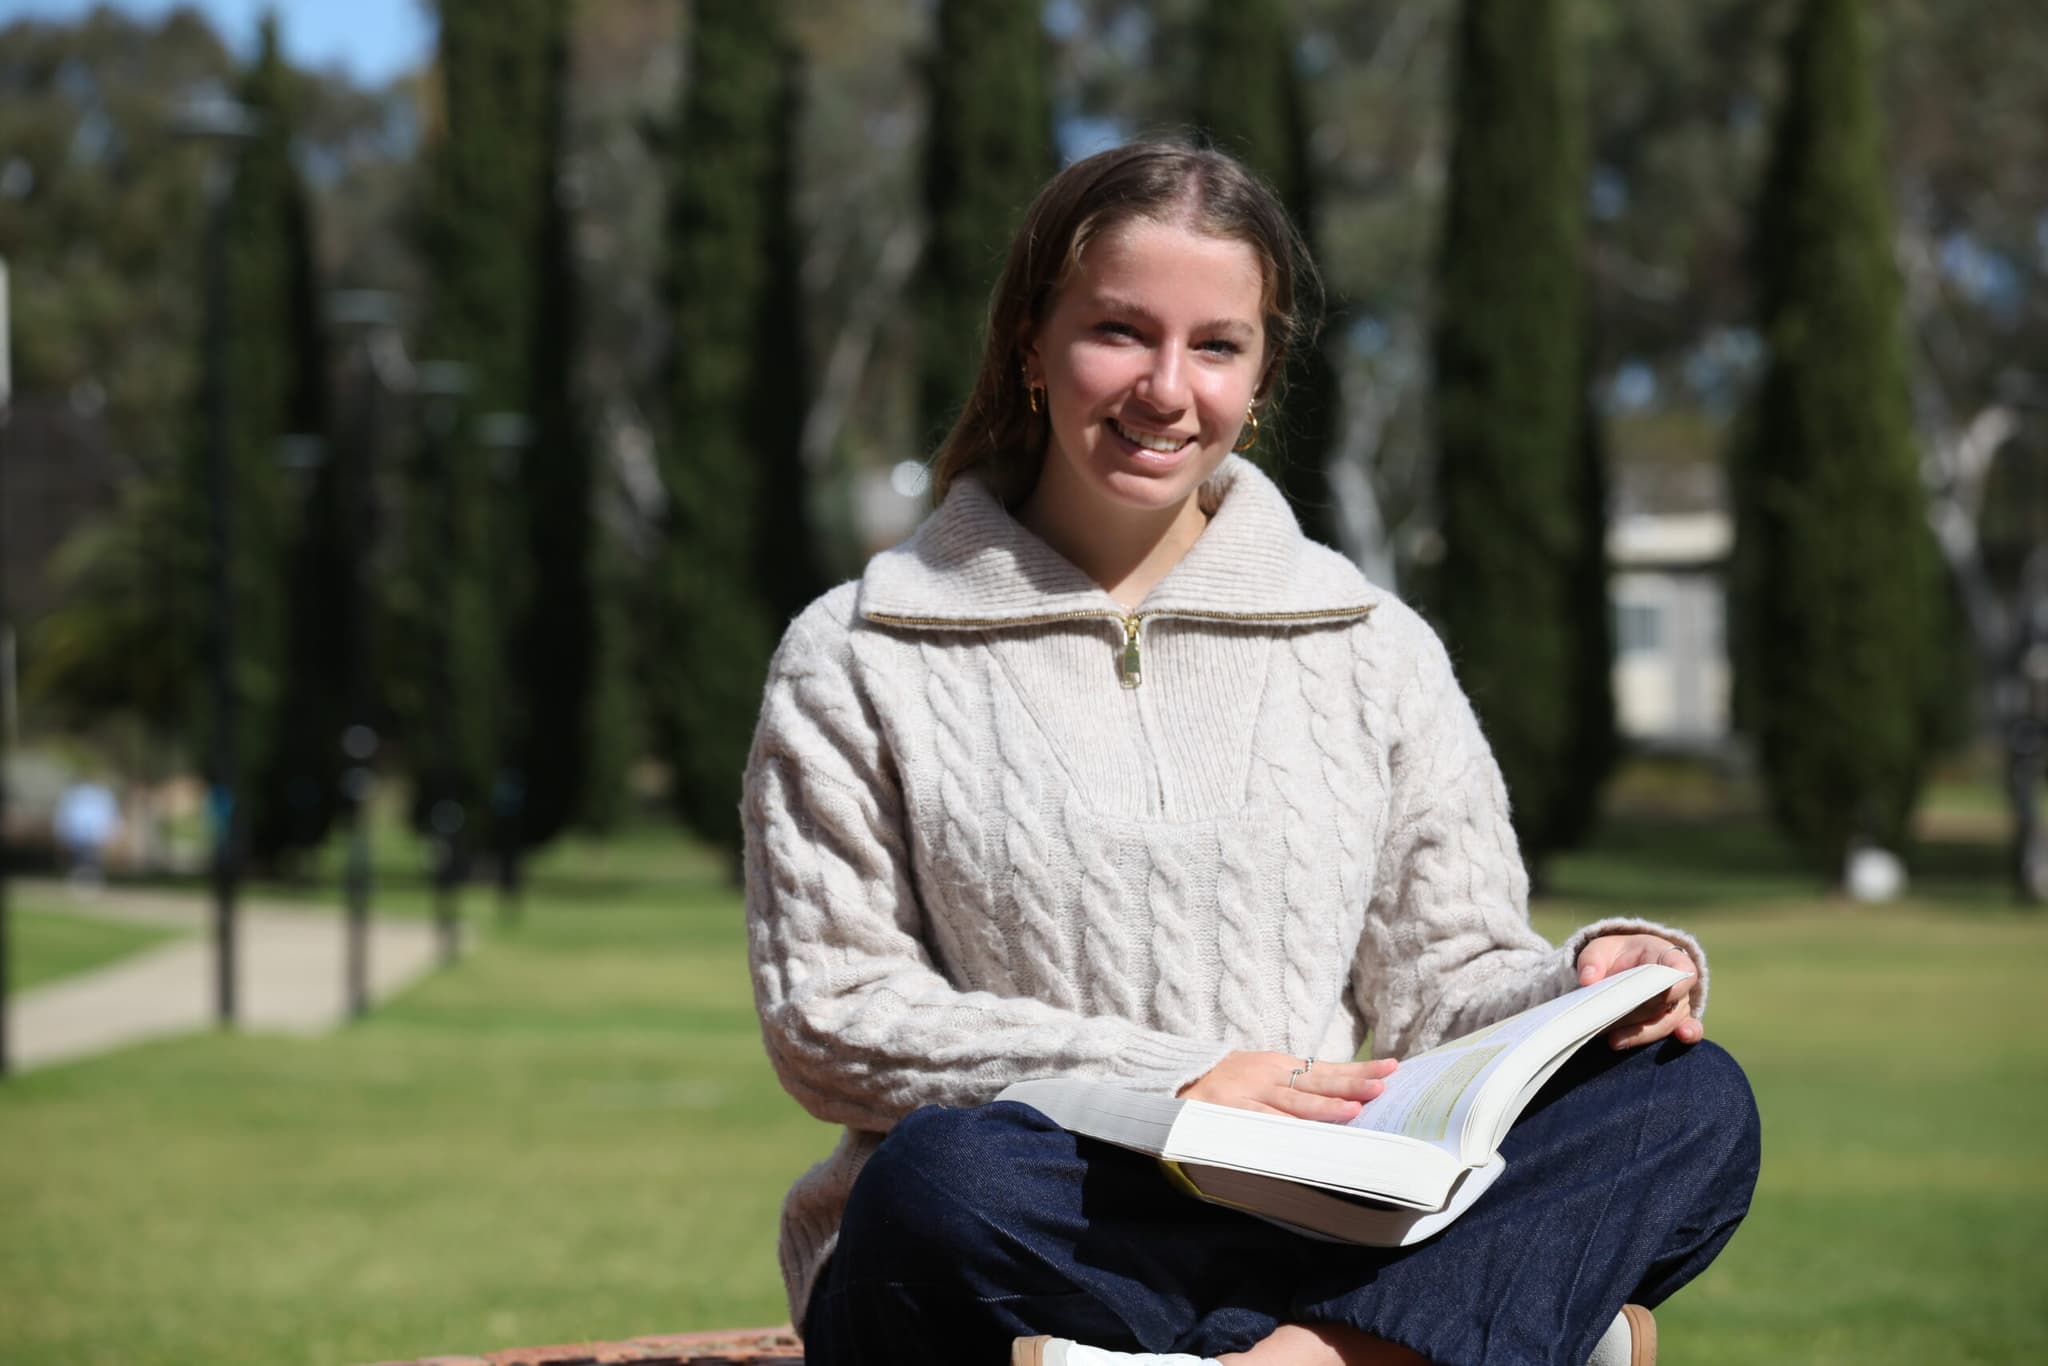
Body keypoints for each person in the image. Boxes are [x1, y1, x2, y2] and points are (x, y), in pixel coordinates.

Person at [742, 141, 1759, 1366]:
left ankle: (1296, 1360)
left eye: (1215, 345)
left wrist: (1585, 988)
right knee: (939, 1177)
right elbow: (832, 1016)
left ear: (1262, 371)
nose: (1167, 389)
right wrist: (1178, 1080)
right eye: (1118, 331)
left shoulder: (1370, 644)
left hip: (1329, 1227)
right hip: (1053, 1226)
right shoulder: (856, 648)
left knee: (1691, 1104)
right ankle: (1419, 1343)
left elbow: (1443, 979)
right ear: (1028, 343)